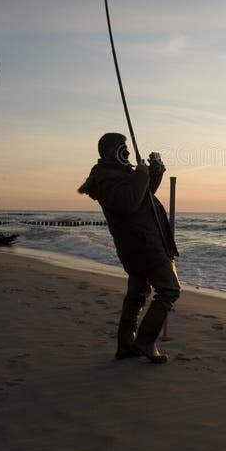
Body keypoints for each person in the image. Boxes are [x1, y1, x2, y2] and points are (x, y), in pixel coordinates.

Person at [78, 132, 179, 364]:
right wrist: (141, 174)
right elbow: (128, 202)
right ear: (113, 151)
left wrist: (154, 171)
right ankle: (145, 340)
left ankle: (125, 345)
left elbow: (144, 194)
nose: (128, 153)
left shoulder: (117, 174)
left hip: (136, 244)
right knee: (170, 290)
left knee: (138, 293)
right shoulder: (105, 178)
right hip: (143, 244)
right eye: (124, 148)